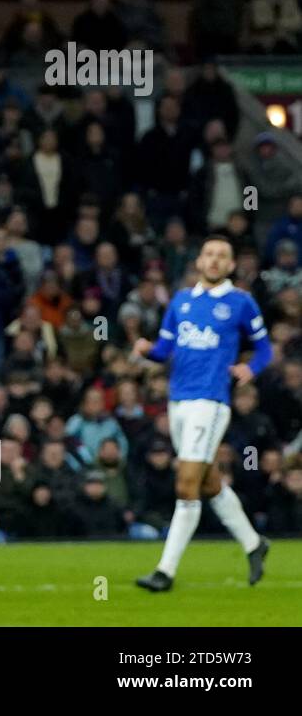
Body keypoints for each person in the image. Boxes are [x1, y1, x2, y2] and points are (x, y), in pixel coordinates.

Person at [132, 235, 272, 592]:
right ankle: (254, 544)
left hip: (210, 402)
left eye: (222, 256)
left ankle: (165, 571)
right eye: (209, 254)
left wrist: (250, 369)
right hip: (178, 400)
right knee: (209, 482)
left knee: (186, 484)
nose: (214, 260)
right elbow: (165, 350)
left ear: (230, 265)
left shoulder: (241, 302)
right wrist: (147, 350)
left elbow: (264, 348)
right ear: (199, 261)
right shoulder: (180, 302)